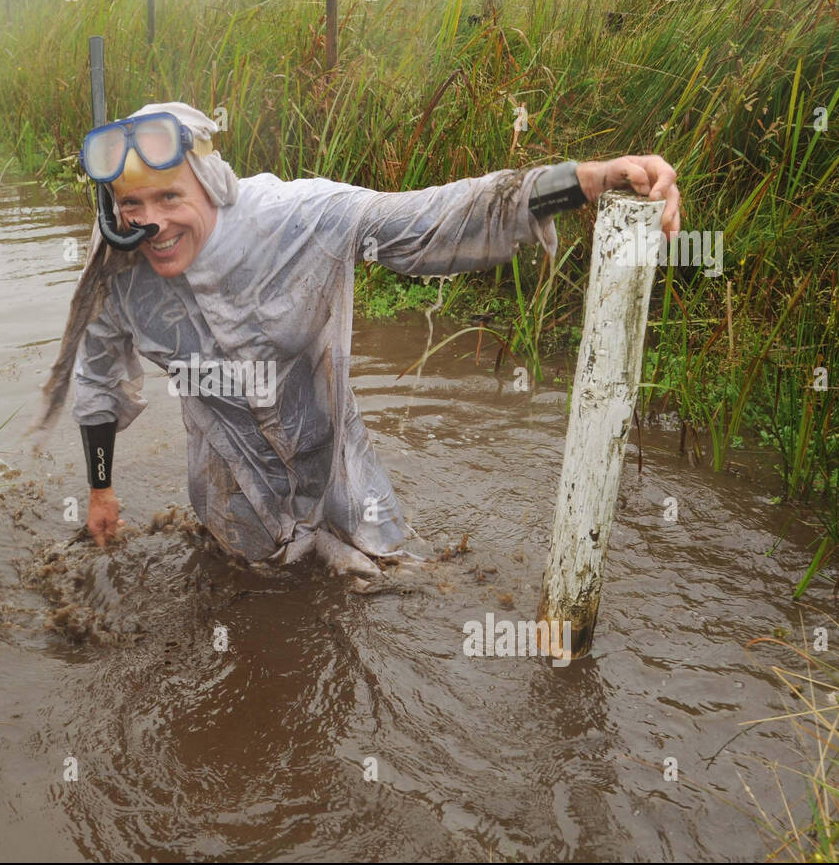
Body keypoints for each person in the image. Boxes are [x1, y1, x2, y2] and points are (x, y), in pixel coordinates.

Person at [35, 102, 680, 575]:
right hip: (231, 491)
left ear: (209, 184)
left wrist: (589, 179)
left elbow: (428, 220)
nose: (152, 224)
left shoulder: (295, 221)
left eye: (168, 197)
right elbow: (96, 380)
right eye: (131, 207)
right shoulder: (116, 267)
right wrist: (99, 490)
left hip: (343, 470)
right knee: (253, 609)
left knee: (394, 585)